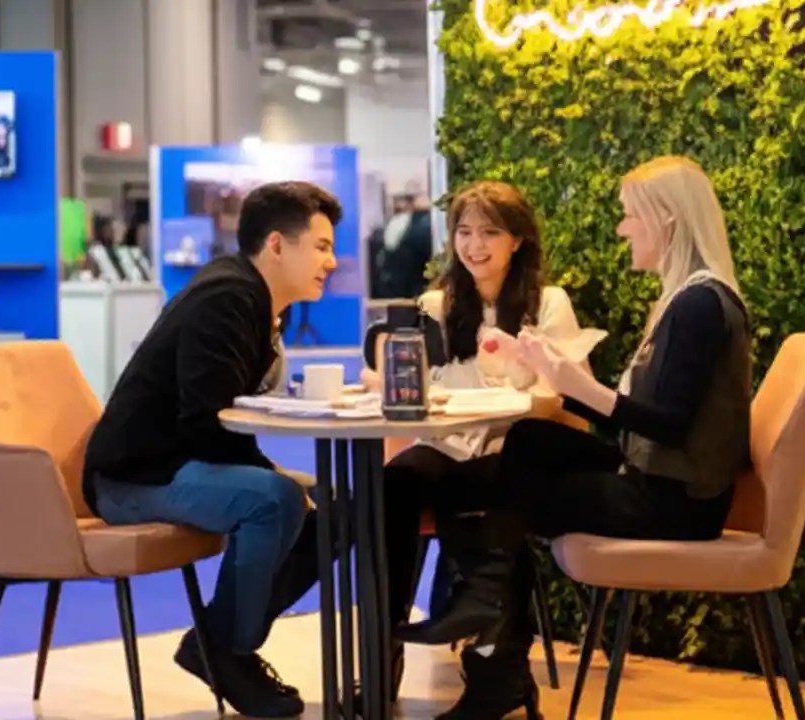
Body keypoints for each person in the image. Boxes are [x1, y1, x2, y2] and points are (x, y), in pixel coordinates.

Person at [400, 156, 754, 717]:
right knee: (528, 444)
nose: (622, 229)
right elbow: (653, 420)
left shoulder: (699, 305)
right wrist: (548, 371)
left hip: (674, 502)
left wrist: (572, 383)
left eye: (629, 217)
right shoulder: (688, 298)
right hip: (656, 477)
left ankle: (485, 610)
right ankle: (485, 610)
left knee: (509, 486)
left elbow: (668, 424)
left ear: (664, 220)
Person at [82, 181, 341, 718]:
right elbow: (206, 422)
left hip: (185, 464)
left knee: (342, 508)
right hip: (138, 478)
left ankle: (216, 642)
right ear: (276, 244)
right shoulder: (228, 297)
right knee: (274, 499)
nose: (332, 262)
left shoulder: (263, 304)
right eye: (320, 246)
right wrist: (275, 474)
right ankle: (231, 652)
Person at [364, 180, 593, 718]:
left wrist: (510, 398)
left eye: (489, 232)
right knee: (394, 484)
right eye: (463, 232)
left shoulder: (548, 304)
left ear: (517, 240)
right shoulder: (435, 304)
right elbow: (414, 390)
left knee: (492, 490)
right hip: (447, 443)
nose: (474, 245)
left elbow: (565, 398)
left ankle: (498, 669)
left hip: (516, 449)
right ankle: (384, 648)